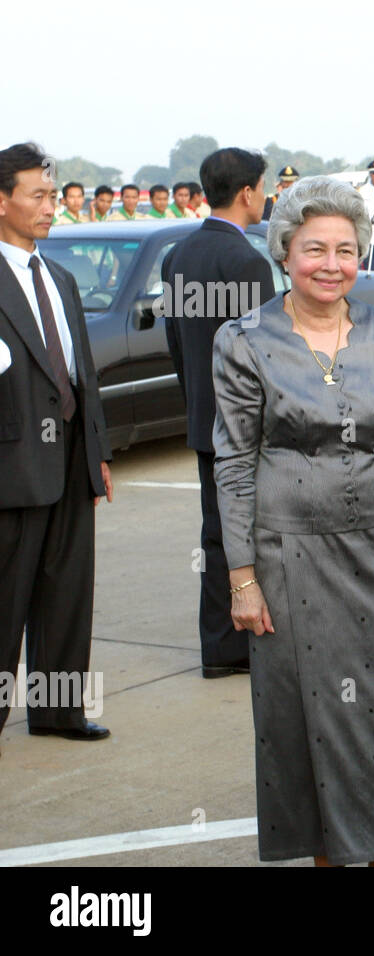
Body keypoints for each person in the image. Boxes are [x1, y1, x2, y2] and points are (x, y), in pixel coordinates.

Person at [212, 175, 374, 866]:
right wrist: (242, 579)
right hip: (289, 558)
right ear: (284, 252)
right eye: (315, 249)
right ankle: (327, 857)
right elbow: (233, 462)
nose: (332, 264)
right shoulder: (244, 339)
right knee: (306, 721)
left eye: (346, 248)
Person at [0, 143, 114, 746]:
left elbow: (82, 376)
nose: (51, 207)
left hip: (69, 461)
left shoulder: (60, 277)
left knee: (67, 596)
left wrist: (96, 452)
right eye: (38, 196)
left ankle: (58, 711)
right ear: (1, 201)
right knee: (5, 603)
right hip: (11, 467)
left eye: (53, 194)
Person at [162, 147, 276, 679]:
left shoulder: (178, 254)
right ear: (248, 192)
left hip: (204, 418)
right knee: (253, 533)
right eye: (264, 186)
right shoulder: (247, 260)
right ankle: (249, 640)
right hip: (245, 425)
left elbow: (177, 343)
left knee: (216, 533)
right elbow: (261, 354)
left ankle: (219, 646)